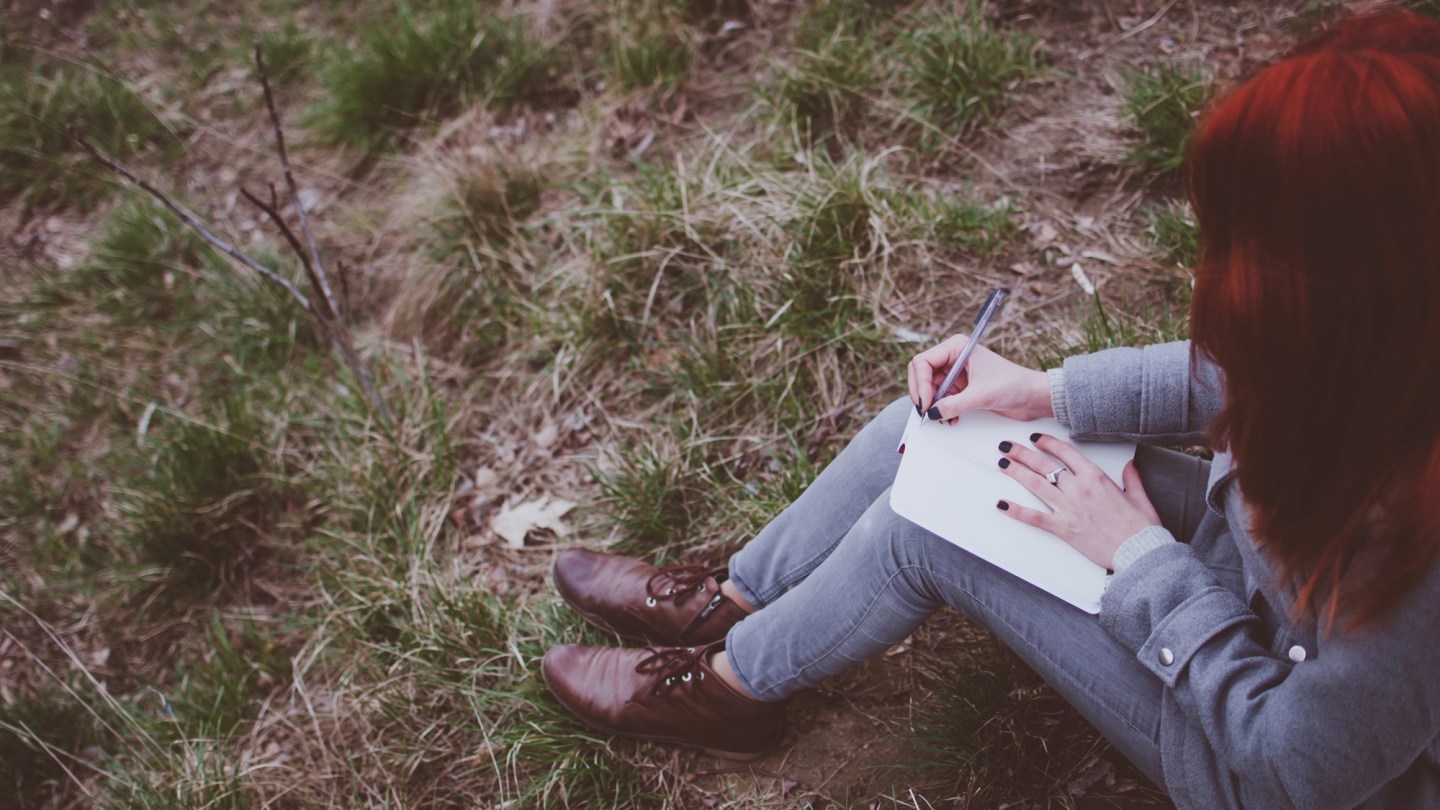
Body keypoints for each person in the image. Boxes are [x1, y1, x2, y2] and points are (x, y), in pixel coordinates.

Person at [540, 9, 1440, 808]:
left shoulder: (1422, 559)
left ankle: (729, 692)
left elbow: (1295, 769)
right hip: (1233, 576)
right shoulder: (1386, 338)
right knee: (941, 427)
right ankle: (735, 600)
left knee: (930, 531)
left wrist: (1141, 564)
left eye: (1252, 250)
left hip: (1243, 755)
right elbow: (1243, 372)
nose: (1217, 267)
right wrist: (1045, 391)